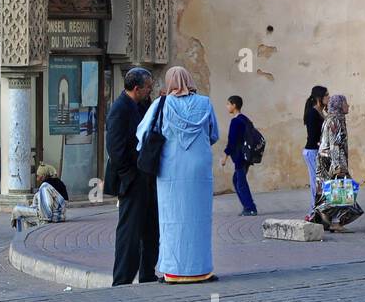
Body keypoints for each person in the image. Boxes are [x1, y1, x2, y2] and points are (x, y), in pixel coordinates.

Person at [139, 66, 220, 284]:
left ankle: (174, 272)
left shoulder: (162, 104)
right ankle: (201, 270)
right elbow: (214, 134)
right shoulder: (205, 103)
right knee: (199, 219)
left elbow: (143, 133)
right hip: (199, 169)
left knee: (172, 219)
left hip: (171, 169)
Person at [105, 66, 159, 286]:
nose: (150, 91)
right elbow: (115, 149)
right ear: (136, 88)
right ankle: (123, 279)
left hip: (146, 177)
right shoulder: (120, 109)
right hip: (132, 179)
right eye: (148, 87)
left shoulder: (140, 104)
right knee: (129, 231)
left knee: (151, 228)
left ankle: (148, 273)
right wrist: (129, 176)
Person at [309, 94, 364, 231]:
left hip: (327, 160)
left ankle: (329, 220)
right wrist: (338, 166)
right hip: (332, 160)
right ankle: (332, 219)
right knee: (341, 190)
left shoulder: (334, 118)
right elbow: (334, 144)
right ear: (339, 105)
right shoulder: (335, 121)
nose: (348, 106)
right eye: (345, 103)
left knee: (334, 191)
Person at [221, 95, 258, 216]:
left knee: (240, 182)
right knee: (237, 179)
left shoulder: (235, 121)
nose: (227, 107)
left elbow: (232, 141)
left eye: (228, 104)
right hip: (246, 155)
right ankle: (248, 206)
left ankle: (250, 208)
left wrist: (225, 157)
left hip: (239, 157)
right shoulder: (245, 119)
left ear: (234, 105)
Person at [11, 164, 68, 229]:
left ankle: (19, 233)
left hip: (50, 217)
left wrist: (44, 221)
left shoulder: (45, 186)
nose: (37, 179)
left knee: (16, 210)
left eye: (38, 176)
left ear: (43, 176)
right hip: (60, 216)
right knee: (26, 218)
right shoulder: (59, 183)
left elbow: (47, 205)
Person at [303, 85, 328, 208]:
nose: (328, 97)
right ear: (319, 97)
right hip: (313, 151)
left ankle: (320, 210)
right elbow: (313, 136)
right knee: (316, 183)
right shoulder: (312, 113)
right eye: (326, 95)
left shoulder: (320, 111)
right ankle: (315, 211)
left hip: (317, 151)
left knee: (321, 182)